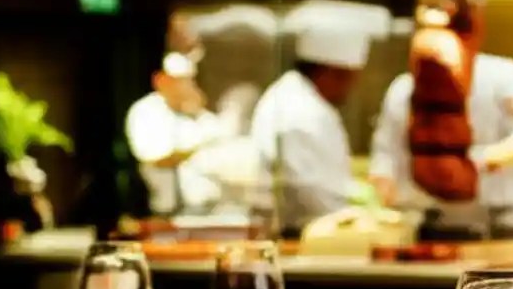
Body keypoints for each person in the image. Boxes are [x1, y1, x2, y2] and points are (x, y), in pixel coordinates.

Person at [369, 51, 513, 242]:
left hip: (507, 221)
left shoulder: (508, 78)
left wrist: (481, 160)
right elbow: (385, 157)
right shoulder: (404, 90)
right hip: (433, 222)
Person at [251, 26, 370, 236]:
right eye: (349, 78)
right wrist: (355, 217)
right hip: (296, 233)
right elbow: (306, 191)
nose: (351, 87)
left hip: (316, 228)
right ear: (331, 72)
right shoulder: (295, 108)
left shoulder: (307, 101)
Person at [124, 52, 226, 216]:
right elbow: (157, 157)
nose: (184, 87)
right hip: (163, 213)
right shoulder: (145, 111)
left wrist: (197, 113)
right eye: (178, 82)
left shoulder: (199, 116)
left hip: (206, 209)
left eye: (188, 81)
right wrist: (193, 148)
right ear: (160, 80)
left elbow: (219, 140)